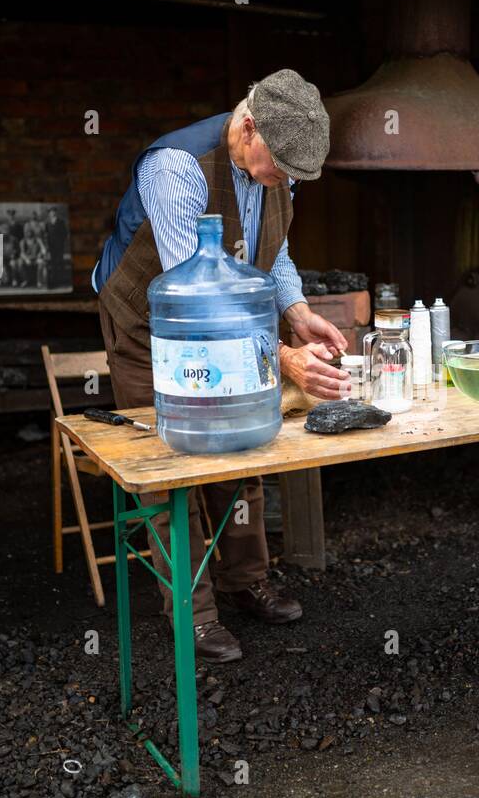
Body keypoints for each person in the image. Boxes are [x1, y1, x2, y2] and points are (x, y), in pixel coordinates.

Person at [92, 69, 349, 663]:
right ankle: (195, 613)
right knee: (170, 460)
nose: (284, 179)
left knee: (243, 438)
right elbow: (200, 298)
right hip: (148, 327)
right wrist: (283, 359)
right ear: (248, 125)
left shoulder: (275, 165)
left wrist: (298, 312)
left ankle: (245, 580)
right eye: (280, 165)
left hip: (237, 325)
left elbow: (274, 248)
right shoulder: (177, 167)